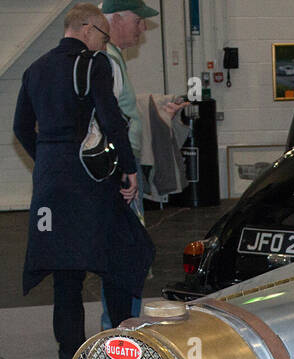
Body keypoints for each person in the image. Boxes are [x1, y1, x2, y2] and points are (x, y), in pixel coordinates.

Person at [13, 3, 153, 359]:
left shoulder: (35, 69)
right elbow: (110, 118)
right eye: (103, 37)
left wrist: (47, 156)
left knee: (66, 273)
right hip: (91, 184)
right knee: (123, 257)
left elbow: (20, 128)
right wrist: (128, 170)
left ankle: (69, 357)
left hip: (50, 183)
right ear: (89, 29)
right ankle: (123, 349)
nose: (104, 45)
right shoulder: (95, 64)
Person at [100, 0, 182, 329]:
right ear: (117, 19)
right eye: (138, 21)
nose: (142, 28)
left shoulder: (112, 59)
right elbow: (110, 116)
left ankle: (121, 322)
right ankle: (120, 326)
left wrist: (158, 104)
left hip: (121, 162)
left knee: (128, 250)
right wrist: (124, 167)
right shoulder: (107, 61)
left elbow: (124, 107)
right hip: (120, 165)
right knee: (129, 251)